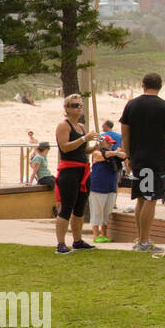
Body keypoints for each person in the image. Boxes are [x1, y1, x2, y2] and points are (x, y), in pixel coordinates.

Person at [120, 73, 165, 254]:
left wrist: (128, 156)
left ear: (143, 85)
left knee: (141, 197)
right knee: (150, 199)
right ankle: (144, 242)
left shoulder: (131, 104)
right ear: (160, 86)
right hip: (155, 160)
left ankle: (141, 239)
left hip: (138, 158)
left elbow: (125, 133)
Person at [54, 94, 98, 253]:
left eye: (80, 105)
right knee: (66, 207)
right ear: (66, 108)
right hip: (69, 171)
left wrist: (95, 148)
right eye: (74, 105)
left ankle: (77, 240)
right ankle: (60, 243)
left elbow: (83, 150)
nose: (79, 107)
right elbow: (65, 147)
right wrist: (84, 138)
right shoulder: (63, 126)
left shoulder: (81, 127)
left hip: (83, 170)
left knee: (79, 208)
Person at [88, 135, 126, 243]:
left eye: (111, 143)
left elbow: (124, 156)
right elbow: (102, 156)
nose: (110, 145)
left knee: (107, 213)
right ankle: (96, 235)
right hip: (98, 188)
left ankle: (104, 234)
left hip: (110, 187)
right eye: (108, 143)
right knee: (97, 212)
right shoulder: (97, 153)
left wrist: (117, 152)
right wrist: (116, 152)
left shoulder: (112, 154)